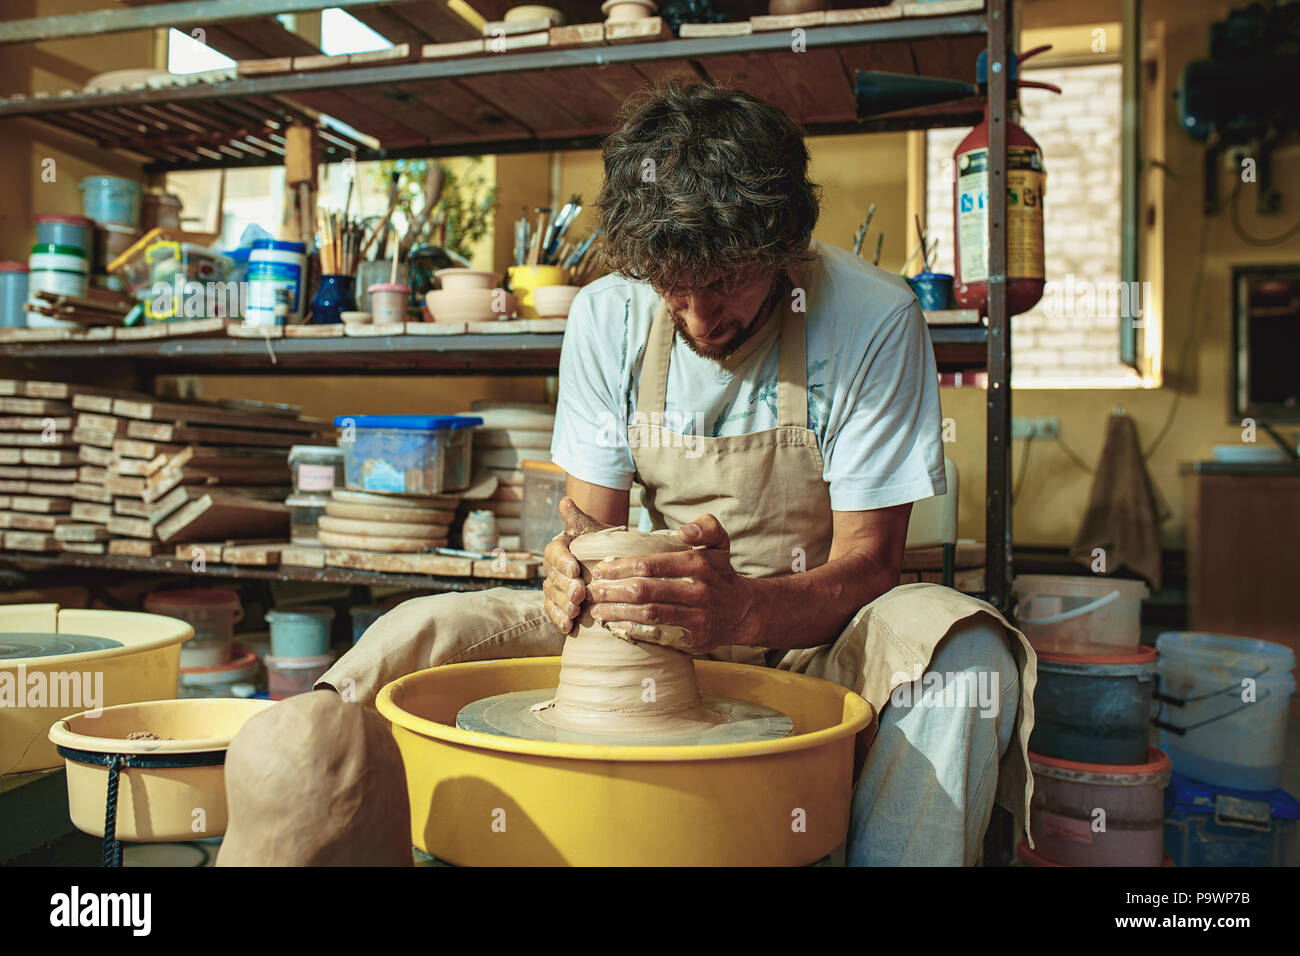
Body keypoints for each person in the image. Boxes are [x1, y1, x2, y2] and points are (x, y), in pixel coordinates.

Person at [221, 83, 1036, 868]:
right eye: (672, 293)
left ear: (783, 246)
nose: (698, 318)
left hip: (811, 640)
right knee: (415, 632)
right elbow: (587, 520)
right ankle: (296, 810)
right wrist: (566, 564)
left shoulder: (871, 316)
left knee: (965, 653)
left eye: (721, 286)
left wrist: (742, 608)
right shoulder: (606, 312)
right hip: (641, 627)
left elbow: (871, 564)